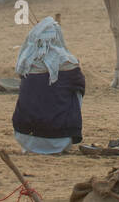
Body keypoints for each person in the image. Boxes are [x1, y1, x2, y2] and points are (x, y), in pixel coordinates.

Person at [12, 17, 85, 155]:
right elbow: (81, 88)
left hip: (25, 137)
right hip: (60, 140)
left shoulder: (26, 62)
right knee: (76, 91)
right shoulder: (69, 64)